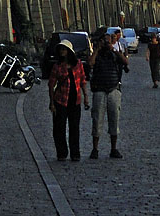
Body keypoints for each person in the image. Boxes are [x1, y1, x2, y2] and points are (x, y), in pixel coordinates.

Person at [87, 30, 127, 160]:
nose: (106, 43)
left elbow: (126, 62)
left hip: (113, 89)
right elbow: (90, 63)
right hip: (99, 90)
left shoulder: (114, 54)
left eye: (108, 41)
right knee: (97, 119)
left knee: (114, 119)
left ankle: (113, 148)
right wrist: (97, 49)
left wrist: (113, 50)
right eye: (104, 41)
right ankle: (95, 149)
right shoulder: (97, 55)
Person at [48, 39, 89, 161]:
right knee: (59, 128)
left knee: (74, 128)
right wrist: (51, 103)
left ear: (69, 51)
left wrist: (86, 96)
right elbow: (51, 85)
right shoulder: (57, 66)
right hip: (60, 100)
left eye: (64, 49)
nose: (62, 51)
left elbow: (82, 81)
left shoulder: (78, 64)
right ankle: (62, 153)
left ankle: (75, 153)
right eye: (60, 49)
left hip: (75, 100)